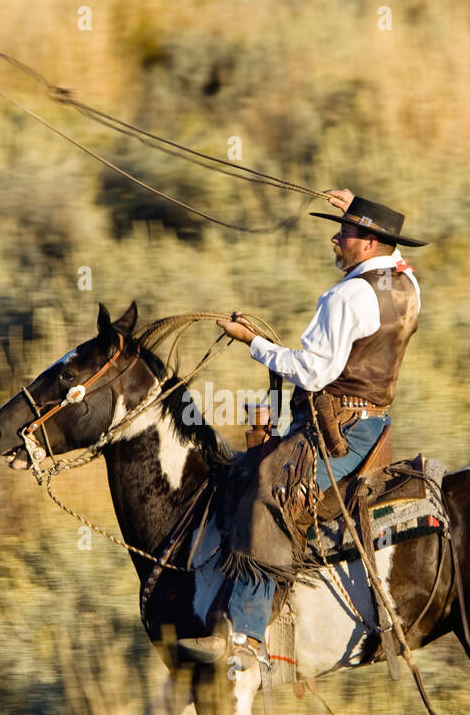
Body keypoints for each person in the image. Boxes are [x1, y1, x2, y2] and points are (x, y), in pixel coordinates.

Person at [178, 188, 428, 670]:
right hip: (373, 426)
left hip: (340, 430)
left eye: (347, 234)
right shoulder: (406, 283)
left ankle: (247, 636)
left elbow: (313, 374)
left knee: (269, 488)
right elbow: (389, 254)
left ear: (370, 244)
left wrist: (254, 344)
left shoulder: (347, 296)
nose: (336, 239)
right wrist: (358, 206)